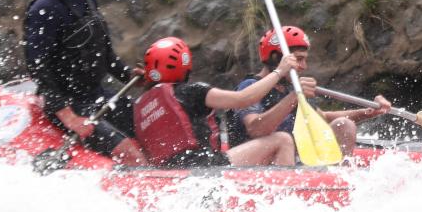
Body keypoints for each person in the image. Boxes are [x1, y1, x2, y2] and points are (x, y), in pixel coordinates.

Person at [23, 0, 148, 166]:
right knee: (130, 155)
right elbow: (38, 67)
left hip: (99, 96)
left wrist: (129, 75)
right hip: (71, 104)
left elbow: (105, 55)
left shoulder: (87, 0)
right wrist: (68, 116)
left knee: (151, 128)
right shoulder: (44, 8)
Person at [133, 37, 299, 167]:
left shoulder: (140, 105)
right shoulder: (191, 92)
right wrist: (279, 71)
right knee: (282, 140)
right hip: (204, 167)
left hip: (168, 173)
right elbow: (243, 99)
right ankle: (287, 199)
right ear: (185, 65)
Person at [229, 26, 391, 158]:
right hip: (255, 165)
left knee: (344, 125)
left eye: (305, 59)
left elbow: (324, 118)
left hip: (291, 158)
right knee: (283, 139)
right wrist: (294, 98)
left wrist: (368, 112)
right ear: (275, 59)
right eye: (298, 59)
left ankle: (340, 182)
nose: (304, 66)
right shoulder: (249, 86)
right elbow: (255, 129)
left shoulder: (290, 88)